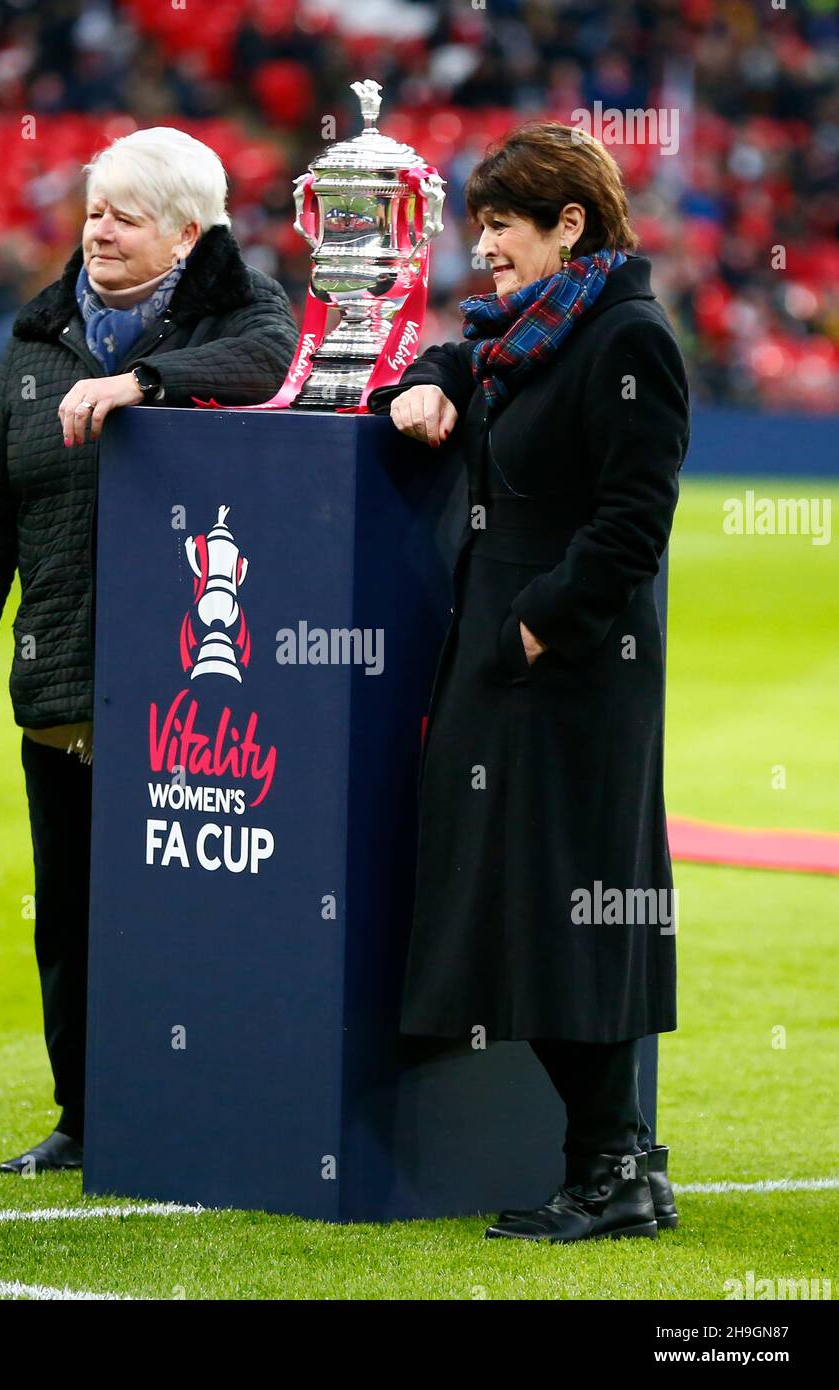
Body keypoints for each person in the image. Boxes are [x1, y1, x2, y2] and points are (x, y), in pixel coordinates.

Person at [0, 126, 298, 1173]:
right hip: (67, 671)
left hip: (195, 694)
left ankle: (207, 1104)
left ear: (187, 231)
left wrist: (143, 384)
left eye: (125, 214)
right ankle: (84, 1115)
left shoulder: (243, 308)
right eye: (93, 209)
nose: (98, 228)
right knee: (74, 916)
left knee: (192, 912)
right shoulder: (40, 333)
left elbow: (272, 361)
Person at [368, 122, 689, 1242]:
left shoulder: (628, 337)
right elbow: (469, 355)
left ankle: (610, 1168)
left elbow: (631, 523)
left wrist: (532, 635)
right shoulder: (521, 332)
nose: (483, 247)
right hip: (503, 662)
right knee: (504, 906)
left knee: (562, 909)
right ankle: (620, 1161)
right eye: (477, 224)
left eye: (501, 223)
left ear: (569, 223)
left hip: (571, 676)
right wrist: (422, 374)